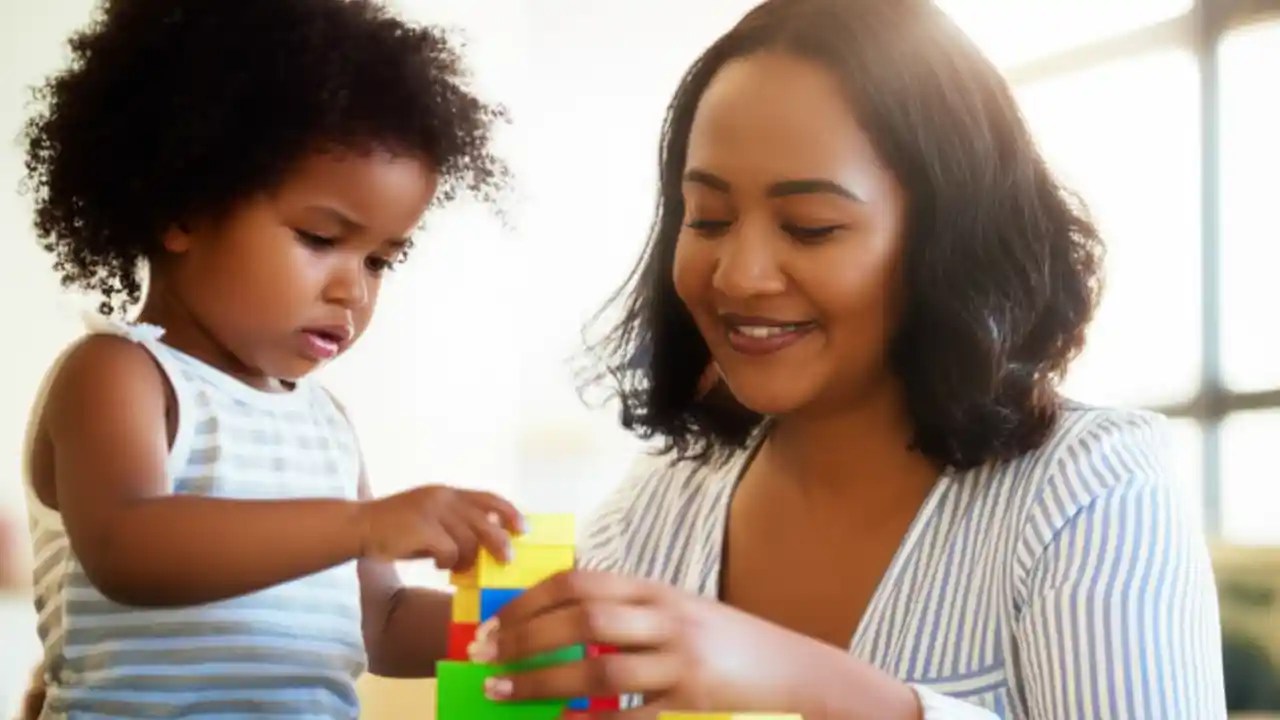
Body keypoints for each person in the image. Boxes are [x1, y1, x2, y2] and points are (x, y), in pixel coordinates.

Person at [467, 0, 1228, 718]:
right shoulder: (655, 510)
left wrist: (818, 685)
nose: (738, 274)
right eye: (709, 218)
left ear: (946, 245)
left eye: (810, 226)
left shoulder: (1088, 488)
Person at [17, 1, 524, 717]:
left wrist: (514, 633)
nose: (353, 287)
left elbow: (378, 622)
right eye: (320, 238)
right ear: (184, 209)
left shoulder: (325, 422)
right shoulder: (119, 374)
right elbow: (128, 547)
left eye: (381, 259)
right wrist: (365, 524)